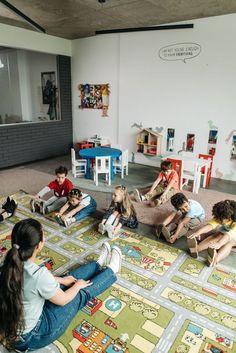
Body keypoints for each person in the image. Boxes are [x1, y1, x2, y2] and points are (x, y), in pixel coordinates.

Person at [0, 218, 122, 351]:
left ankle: (97, 265)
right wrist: (78, 286)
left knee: (63, 281)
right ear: (39, 245)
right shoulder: (39, 275)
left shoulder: (8, 265)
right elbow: (63, 300)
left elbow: (36, 281)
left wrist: (62, 280)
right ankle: (111, 271)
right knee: (78, 295)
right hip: (34, 335)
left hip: (14, 328)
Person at [187, 200, 236, 266]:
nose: (218, 220)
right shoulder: (222, 214)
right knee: (217, 236)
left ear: (229, 217)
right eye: (217, 218)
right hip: (228, 229)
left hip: (233, 234)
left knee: (229, 243)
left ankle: (216, 259)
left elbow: (229, 235)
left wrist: (219, 244)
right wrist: (198, 233)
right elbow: (210, 225)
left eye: (220, 220)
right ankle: (196, 249)